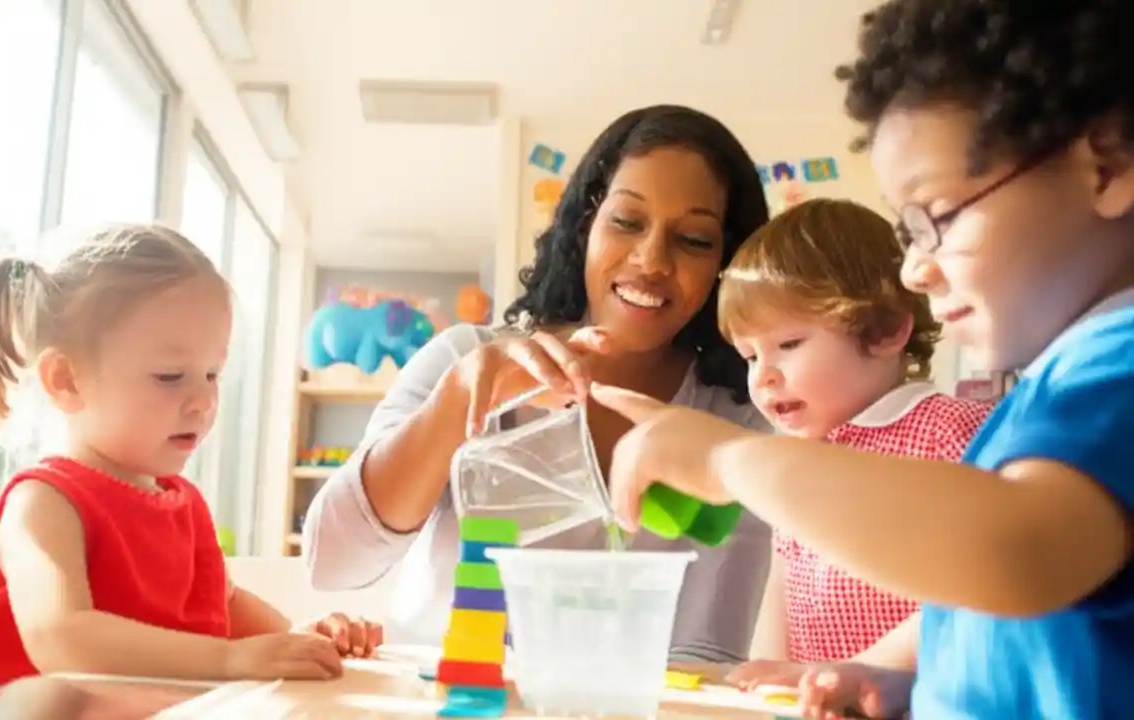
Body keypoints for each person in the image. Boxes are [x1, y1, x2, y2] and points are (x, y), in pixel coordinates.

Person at [594, 1, 1134, 717]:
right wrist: (907, 682)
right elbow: (1001, 616)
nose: (914, 270)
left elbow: (1017, 552)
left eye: (933, 218)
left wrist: (732, 463)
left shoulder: (1117, 370)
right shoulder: (1054, 390)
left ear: (1107, 164)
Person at [302, 104, 774, 660]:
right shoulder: (463, 358)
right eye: (626, 221)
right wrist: (457, 402)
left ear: (727, 262)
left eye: (693, 238)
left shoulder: (737, 423)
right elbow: (332, 561)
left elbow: (709, 653)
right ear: (585, 228)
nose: (651, 260)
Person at [0, 225, 381, 689]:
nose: (203, 401)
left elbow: (223, 605)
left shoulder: (182, 503)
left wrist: (301, 640)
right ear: (66, 380)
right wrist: (232, 660)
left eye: (212, 373)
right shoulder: (43, 503)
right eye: (170, 376)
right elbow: (60, 636)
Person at [709, 199, 990, 694]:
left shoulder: (947, 433)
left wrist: (859, 671)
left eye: (789, 344)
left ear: (884, 330)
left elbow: (978, 593)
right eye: (750, 355)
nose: (764, 375)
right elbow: (784, 586)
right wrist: (765, 683)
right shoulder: (795, 459)